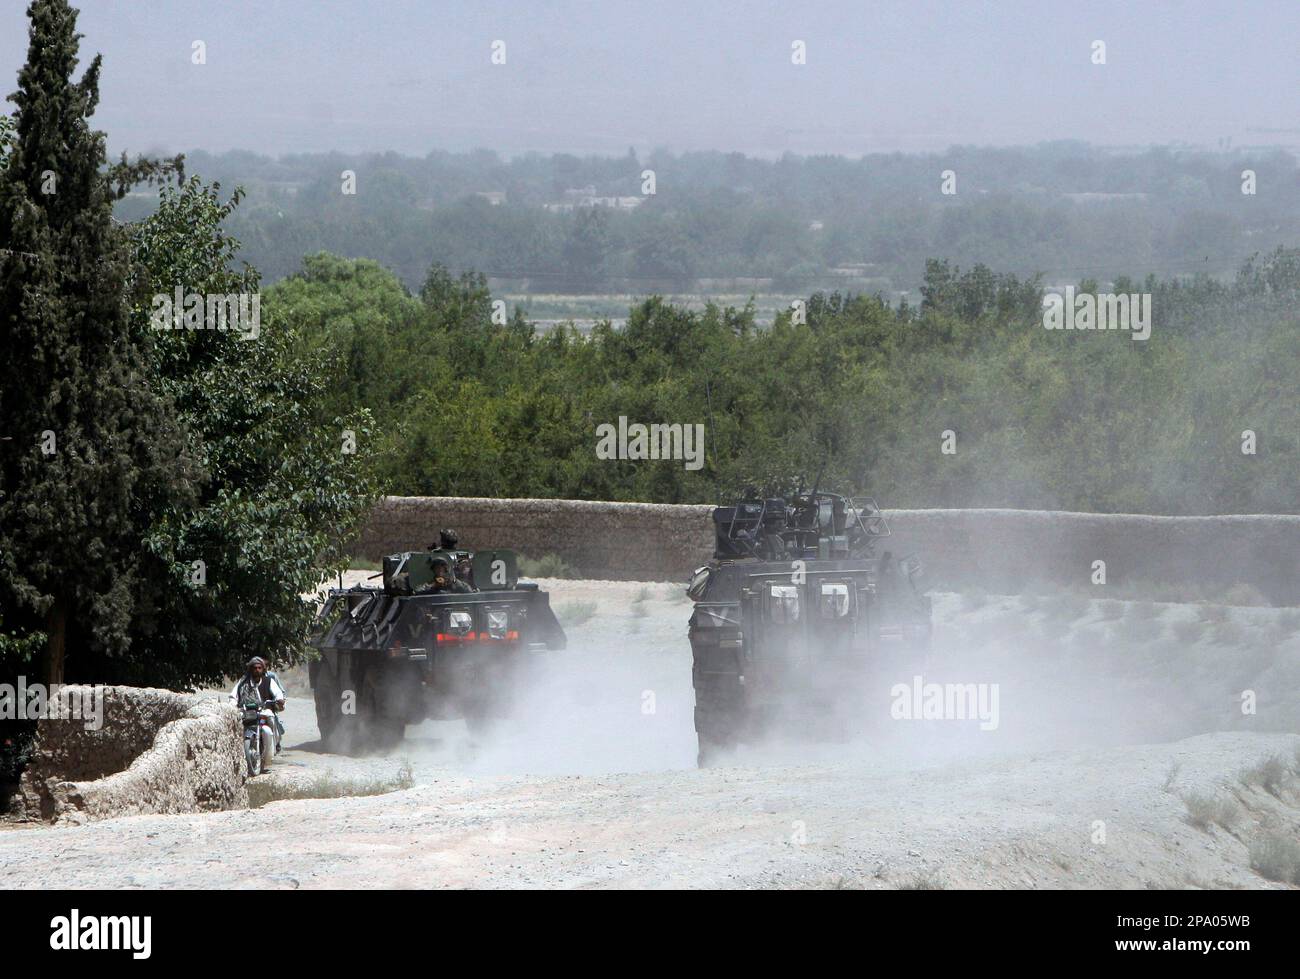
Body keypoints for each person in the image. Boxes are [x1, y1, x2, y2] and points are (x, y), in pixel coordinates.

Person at [229, 656, 287, 752]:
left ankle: (273, 745)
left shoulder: (268, 681)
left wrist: (279, 700)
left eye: (259, 668)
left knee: (271, 719)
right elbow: (233, 696)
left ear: (263, 669)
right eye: (254, 668)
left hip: (264, 710)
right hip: (247, 711)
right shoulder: (243, 682)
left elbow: (278, 693)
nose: (257, 670)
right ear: (251, 669)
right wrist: (232, 706)